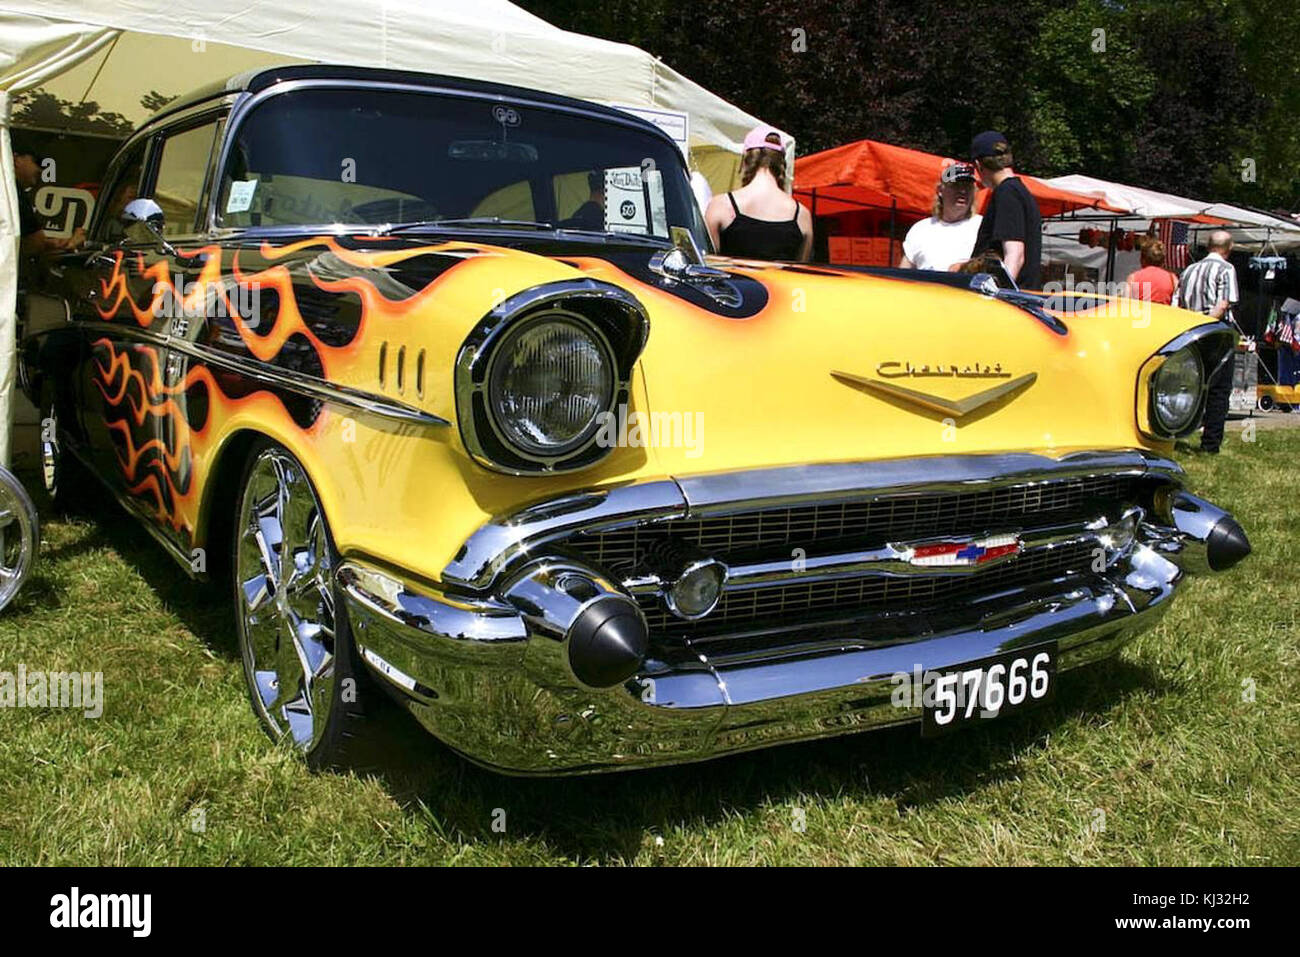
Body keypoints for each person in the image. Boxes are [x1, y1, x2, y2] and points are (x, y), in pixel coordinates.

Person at [1173, 230, 1240, 454]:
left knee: (1190, 385)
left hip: (1189, 331)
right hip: (1214, 331)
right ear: (1229, 248)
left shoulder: (1189, 270)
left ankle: (1175, 433)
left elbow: (1177, 304)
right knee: (1218, 388)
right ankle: (1210, 443)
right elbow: (1223, 304)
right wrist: (1206, 324)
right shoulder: (1226, 269)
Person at [705, 126, 812, 261]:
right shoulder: (801, 215)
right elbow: (801, 268)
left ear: (746, 160)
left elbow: (706, 265)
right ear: (782, 163)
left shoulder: (721, 205)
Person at [969, 130, 1041, 288]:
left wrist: (997, 293)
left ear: (978, 165)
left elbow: (1015, 255)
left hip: (1008, 298)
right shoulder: (1019, 191)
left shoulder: (1007, 193)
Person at [898, 161, 982, 271]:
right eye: (956, 186)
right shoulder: (920, 229)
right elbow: (904, 271)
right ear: (940, 191)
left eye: (968, 187)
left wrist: (964, 267)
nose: (963, 191)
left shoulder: (983, 226)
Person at [12, 139, 84, 258]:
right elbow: (34, 244)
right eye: (36, 162)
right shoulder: (12, 192)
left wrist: (55, 243)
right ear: (16, 160)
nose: (40, 170)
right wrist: (69, 243)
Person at [1123, 239, 1177, 305]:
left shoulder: (1133, 278)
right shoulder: (1172, 279)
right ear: (1162, 262)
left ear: (1142, 259)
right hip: (1164, 311)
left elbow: (1126, 304)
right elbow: (1176, 304)